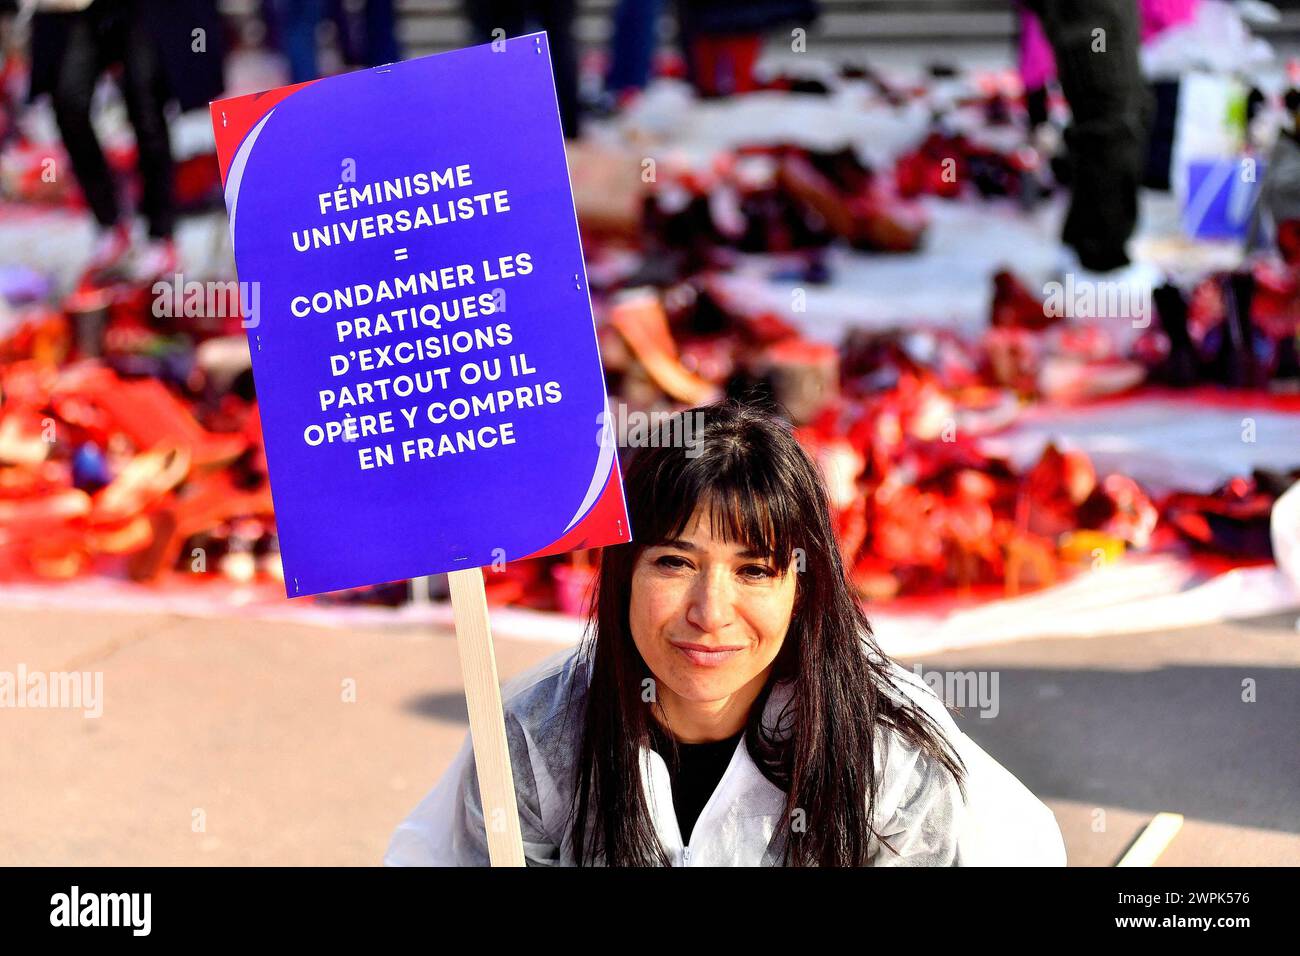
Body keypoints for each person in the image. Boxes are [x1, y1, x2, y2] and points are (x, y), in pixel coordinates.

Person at [386, 401, 1065, 866]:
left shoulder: (887, 754)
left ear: (804, 587)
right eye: (675, 562)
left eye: (754, 570)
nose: (711, 612)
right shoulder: (535, 741)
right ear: (621, 572)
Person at [26, 0, 225, 282]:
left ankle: (161, 235)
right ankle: (109, 224)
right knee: (68, 101)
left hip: (143, 9)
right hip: (76, 9)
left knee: (146, 106)